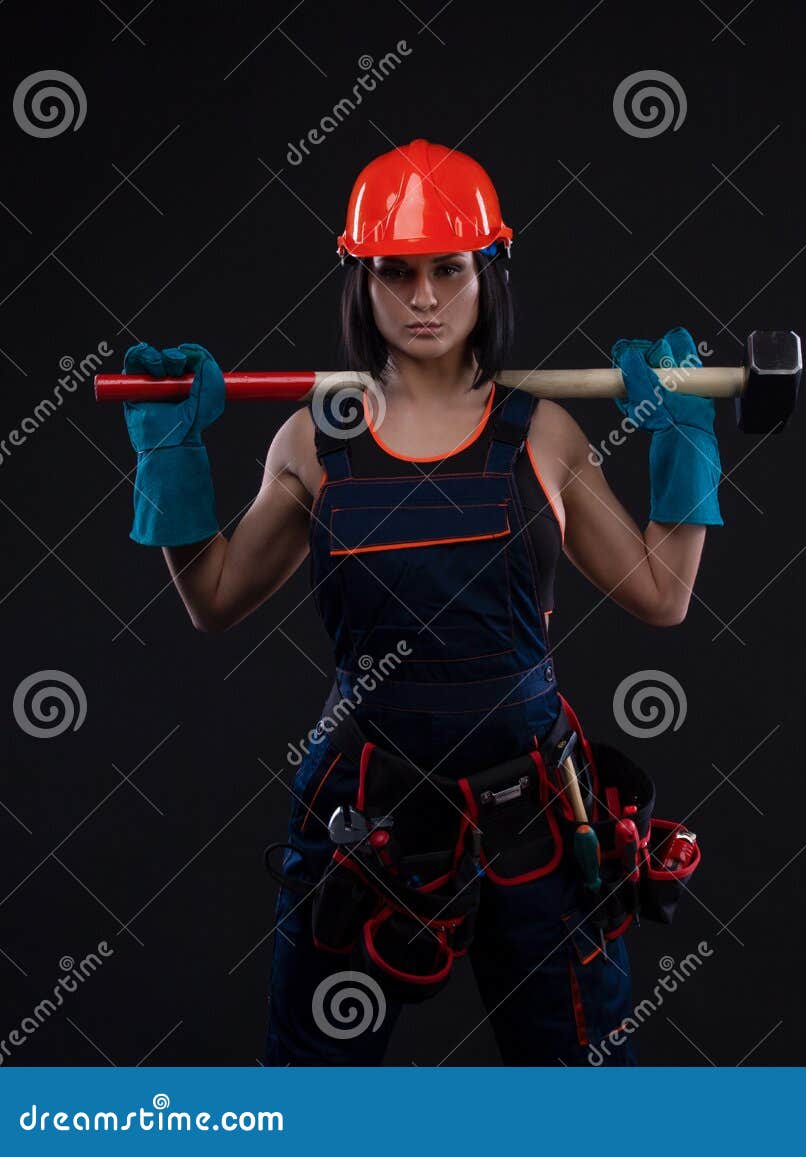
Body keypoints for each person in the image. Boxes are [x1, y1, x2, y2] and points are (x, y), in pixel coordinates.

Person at [117, 139, 721, 1064]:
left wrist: (684, 440)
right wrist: (170, 456)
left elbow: (662, 594)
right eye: (396, 273)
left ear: (491, 271)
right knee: (316, 1088)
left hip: (536, 810)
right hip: (366, 814)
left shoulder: (543, 433)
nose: (427, 298)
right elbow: (214, 598)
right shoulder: (315, 442)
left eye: (450, 269)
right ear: (359, 280)